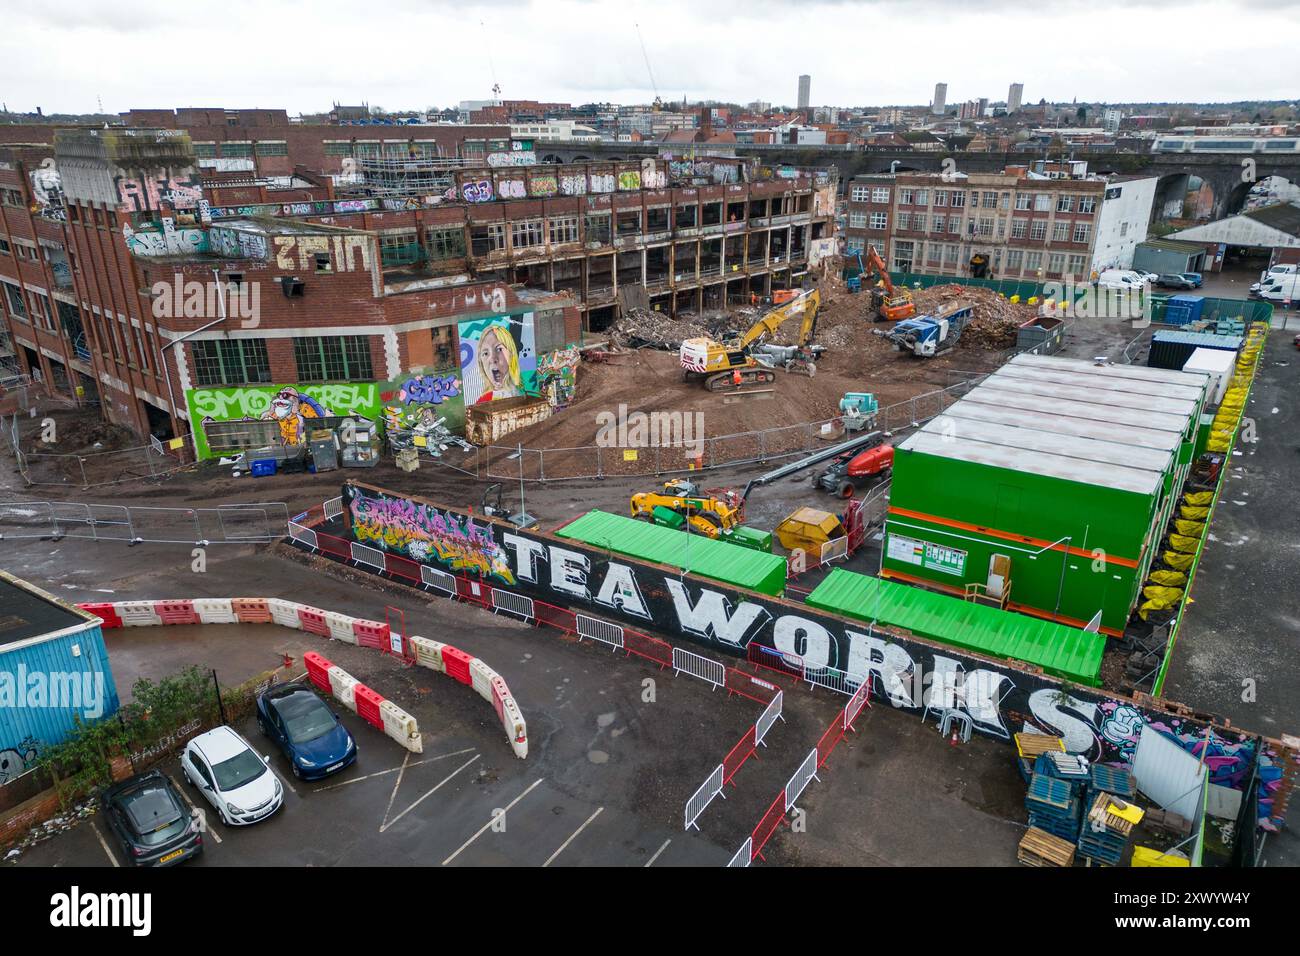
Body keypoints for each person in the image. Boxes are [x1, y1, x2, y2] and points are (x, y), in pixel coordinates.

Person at [473, 324, 524, 403]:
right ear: (481, 364)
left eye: (499, 349)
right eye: (485, 353)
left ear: (511, 354)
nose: (493, 359)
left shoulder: (521, 395)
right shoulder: (482, 401)